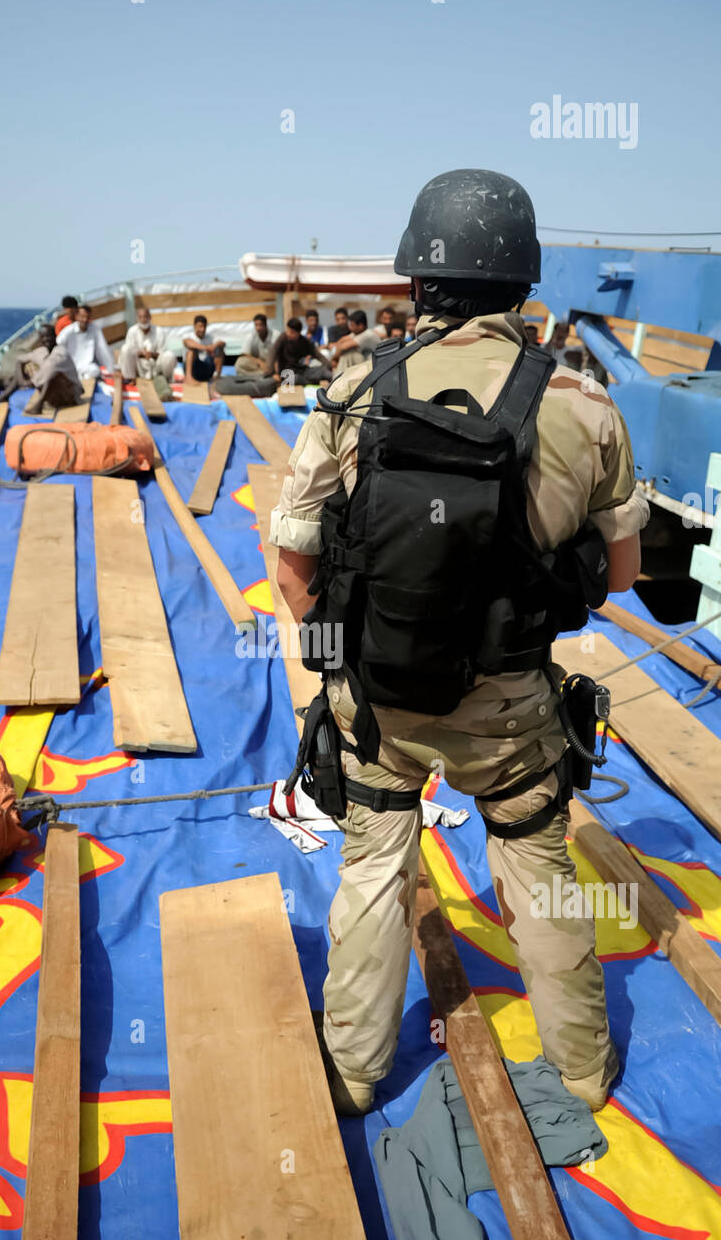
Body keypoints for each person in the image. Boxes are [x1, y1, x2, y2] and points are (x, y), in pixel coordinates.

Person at [271, 167, 648, 1119]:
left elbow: (292, 564)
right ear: (522, 282)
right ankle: (581, 1072)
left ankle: (356, 1075)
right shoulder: (585, 401)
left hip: (381, 700)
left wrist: (338, 654)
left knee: (370, 871)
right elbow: (621, 575)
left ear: (416, 281)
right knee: (541, 869)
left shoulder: (353, 393)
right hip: (512, 708)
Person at [118, 306, 177, 398]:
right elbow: (130, 352)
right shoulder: (132, 331)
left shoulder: (159, 331)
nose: (143, 320)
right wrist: (142, 354)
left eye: (145, 317)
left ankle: (164, 378)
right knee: (125, 348)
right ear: (137, 318)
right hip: (138, 366)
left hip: (154, 366)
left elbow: (162, 352)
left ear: (150, 317)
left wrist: (152, 354)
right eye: (140, 317)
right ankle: (130, 378)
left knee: (170, 355)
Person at [55, 304, 119, 379]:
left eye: (87, 317)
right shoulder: (68, 331)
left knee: (95, 370)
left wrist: (111, 369)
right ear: (77, 317)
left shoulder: (95, 329)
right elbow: (59, 344)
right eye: (82, 317)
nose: (85, 320)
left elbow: (103, 349)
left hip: (88, 366)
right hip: (71, 365)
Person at [271, 318, 330, 385]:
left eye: (291, 332)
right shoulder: (283, 338)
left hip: (300, 370)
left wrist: (329, 365)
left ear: (297, 333)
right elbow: (272, 353)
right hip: (287, 373)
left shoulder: (304, 342)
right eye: (287, 330)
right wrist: (272, 373)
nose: (288, 333)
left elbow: (317, 355)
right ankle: (313, 381)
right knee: (294, 379)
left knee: (322, 371)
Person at [328, 309, 382, 375]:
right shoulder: (357, 332)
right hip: (366, 364)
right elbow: (342, 340)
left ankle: (338, 379)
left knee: (348, 354)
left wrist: (333, 359)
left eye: (352, 326)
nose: (350, 328)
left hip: (375, 366)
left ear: (361, 326)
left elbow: (343, 347)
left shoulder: (367, 335)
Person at [183, 315, 226, 383]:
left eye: (204, 326)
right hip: (195, 368)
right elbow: (188, 343)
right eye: (200, 326)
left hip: (207, 367)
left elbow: (222, 342)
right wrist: (206, 348)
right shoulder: (189, 336)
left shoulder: (210, 337)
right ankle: (188, 377)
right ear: (194, 326)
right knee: (191, 351)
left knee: (219, 350)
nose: (202, 329)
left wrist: (214, 346)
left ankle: (217, 377)